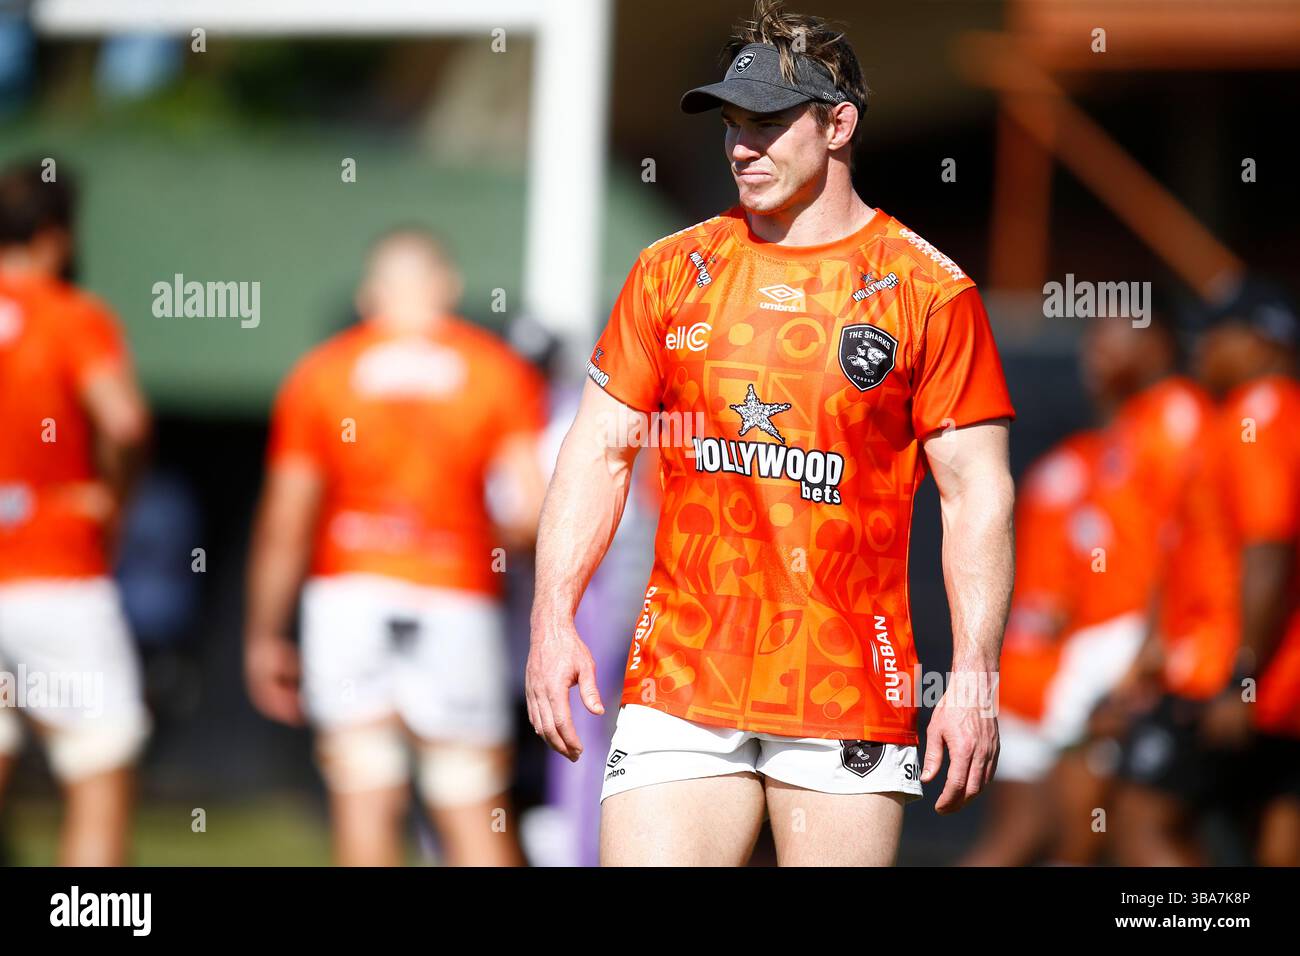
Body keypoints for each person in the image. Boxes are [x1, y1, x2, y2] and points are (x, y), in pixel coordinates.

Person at [526, 0, 1016, 866]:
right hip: (681, 675)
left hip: (848, 682)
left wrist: (974, 674)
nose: (741, 146)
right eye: (731, 124)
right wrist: (552, 616)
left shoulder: (928, 291)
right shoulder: (670, 271)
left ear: (839, 124)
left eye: (767, 123)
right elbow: (597, 451)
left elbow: (977, 494)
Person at [244, 228, 547, 866]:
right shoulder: (496, 371)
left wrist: (265, 633)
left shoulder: (324, 373)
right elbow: (528, 513)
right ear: (449, 288)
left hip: (347, 596)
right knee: (470, 802)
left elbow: (285, 522)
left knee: (364, 799)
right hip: (456, 596)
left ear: (368, 295)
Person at [1114, 281, 1300, 866]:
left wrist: (1237, 677)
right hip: (1268, 675)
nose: (1202, 344)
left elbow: (1268, 549)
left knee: (1141, 818)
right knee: (1270, 822)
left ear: (1264, 341)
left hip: (1236, 671)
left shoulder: (1261, 413)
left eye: (1220, 331)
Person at [0, 161, 152, 865]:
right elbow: (123, 422)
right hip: (52, 573)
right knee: (97, 767)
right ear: (57, 236)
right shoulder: (70, 316)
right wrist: (110, 496)